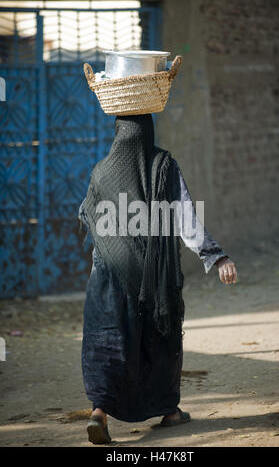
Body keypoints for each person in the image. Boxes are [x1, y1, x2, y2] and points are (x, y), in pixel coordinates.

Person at [78, 114, 237, 444]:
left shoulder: (100, 172)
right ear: (148, 131)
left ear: (117, 133)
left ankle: (99, 412)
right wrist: (215, 255)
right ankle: (169, 411)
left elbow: (90, 220)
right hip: (153, 279)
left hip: (108, 277)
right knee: (159, 342)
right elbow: (185, 218)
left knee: (109, 342)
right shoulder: (163, 166)